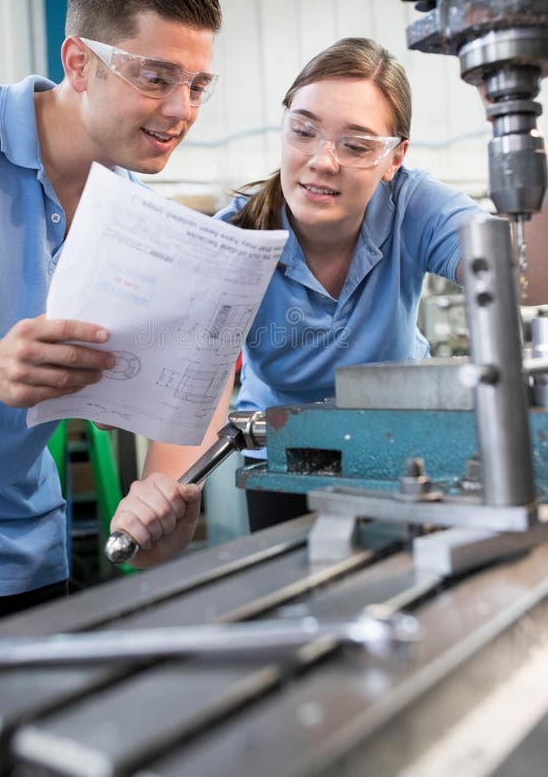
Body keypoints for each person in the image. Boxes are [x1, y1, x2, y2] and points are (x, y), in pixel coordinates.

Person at [112, 36, 484, 553]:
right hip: (282, 453)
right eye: (304, 131)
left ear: (394, 157)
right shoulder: (236, 237)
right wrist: (163, 496)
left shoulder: (412, 207)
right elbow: (200, 390)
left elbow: (524, 276)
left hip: (400, 446)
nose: (322, 160)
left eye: (355, 145)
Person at [0, 0, 222, 633]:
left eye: (197, 85)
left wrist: (166, 488)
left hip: (28, 557)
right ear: (78, 63)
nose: (181, 110)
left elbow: (186, 375)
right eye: (156, 77)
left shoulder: (131, 214)